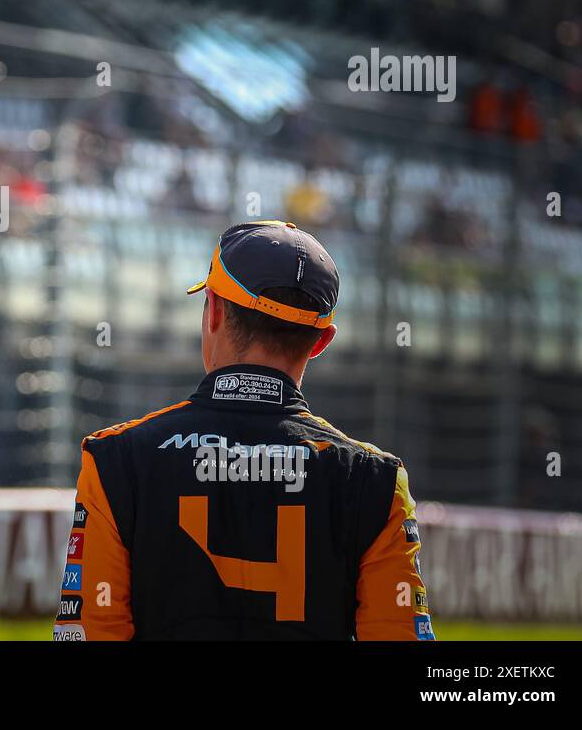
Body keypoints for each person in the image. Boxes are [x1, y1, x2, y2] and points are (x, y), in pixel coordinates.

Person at [54, 220, 432, 640]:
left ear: (213, 310)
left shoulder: (115, 460)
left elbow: (91, 631)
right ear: (322, 341)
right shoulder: (375, 481)